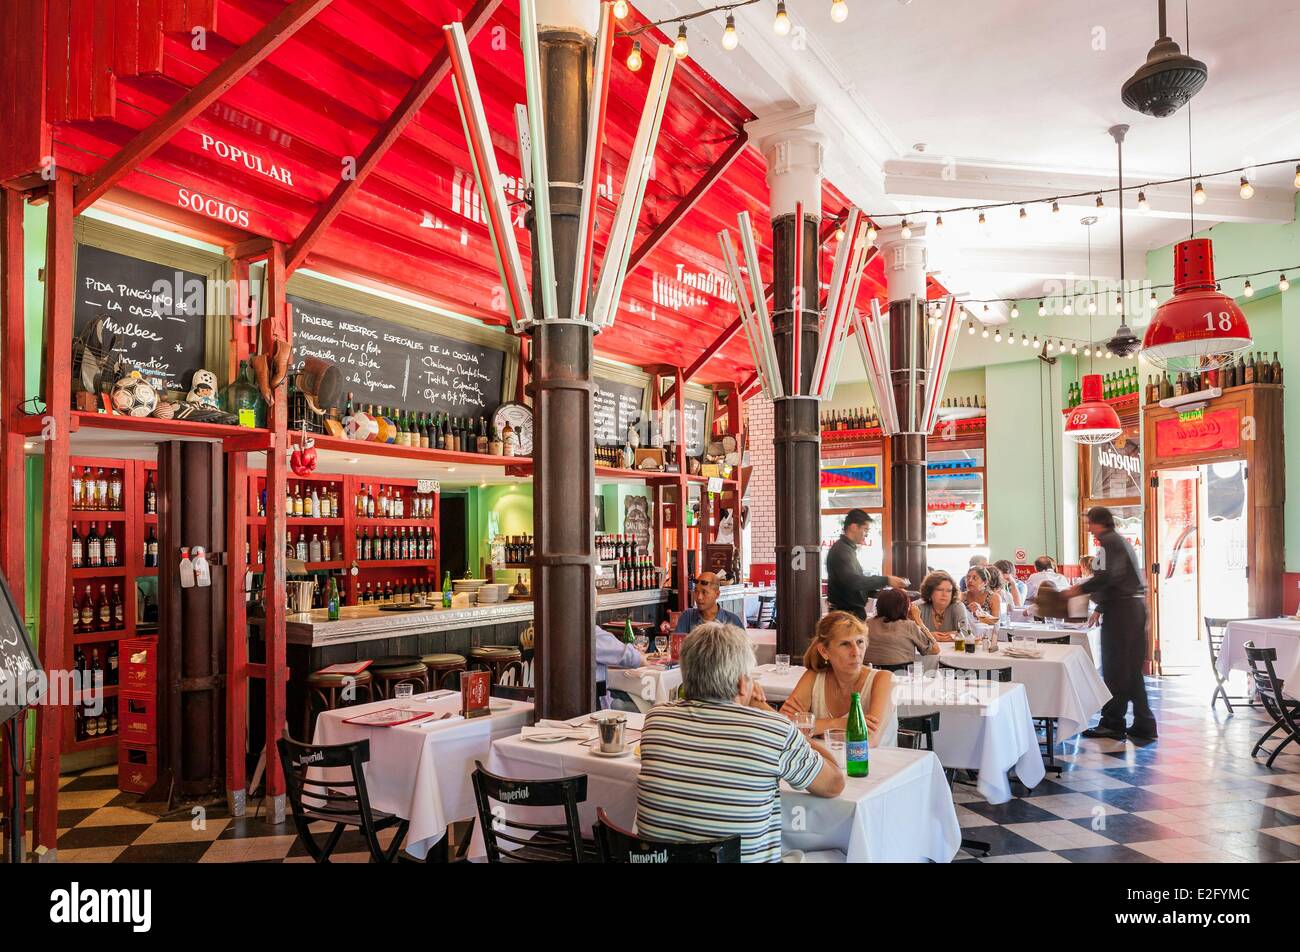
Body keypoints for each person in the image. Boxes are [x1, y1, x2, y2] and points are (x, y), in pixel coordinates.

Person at [637, 623, 845, 862]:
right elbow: (834, 784)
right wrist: (770, 713)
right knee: (840, 855)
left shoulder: (656, 719)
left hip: (663, 858)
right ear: (742, 683)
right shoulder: (773, 730)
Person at [1062, 507, 1156, 741]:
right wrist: (1101, 606)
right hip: (1130, 609)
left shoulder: (1108, 543)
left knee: (1115, 669)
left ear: (1097, 522)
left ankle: (1113, 723)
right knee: (1130, 670)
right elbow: (1119, 579)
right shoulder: (1117, 542)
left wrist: (1078, 589)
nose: (1087, 526)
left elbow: (1107, 577)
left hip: (1122, 613)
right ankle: (1144, 722)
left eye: (1088, 522)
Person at [779, 611, 899, 746]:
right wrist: (838, 723)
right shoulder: (814, 677)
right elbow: (785, 727)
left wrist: (814, 727)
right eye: (845, 644)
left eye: (860, 642)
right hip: (825, 762)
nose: (856, 652)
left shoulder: (884, 679)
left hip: (877, 764)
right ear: (824, 651)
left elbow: (869, 739)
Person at [825, 509, 908, 620]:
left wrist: (888, 593)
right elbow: (853, 582)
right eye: (865, 529)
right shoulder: (841, 550)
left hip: (850, 614)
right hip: (846, 616)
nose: (866, 534)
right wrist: (887, 580)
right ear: (853, 527)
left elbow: (856, 585)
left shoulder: (847, 550)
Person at [864, 589, 938, 668]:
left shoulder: (867, 624)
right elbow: (935, 649)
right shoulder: (909, 626)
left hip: (870, 675)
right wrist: (918, 620)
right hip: (901, 676)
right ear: (905, 607)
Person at [595, 624, 646, 710]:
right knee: (647, 705)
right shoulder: (591, 632)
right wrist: (643, 658)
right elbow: (632, 657)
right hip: (597, 704)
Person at [675, 571, 745, 632]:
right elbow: (678, 645)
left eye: (704, 592)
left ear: (717, 594)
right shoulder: (687, 617)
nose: (699, 597)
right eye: (696, 591)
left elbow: (744, 646)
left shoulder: (732, 620)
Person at [914, 570, 970, 640]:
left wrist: (927, 635)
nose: (944, 594)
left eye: (949, 591)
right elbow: (911, 634)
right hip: (927, 650)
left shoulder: (958, 606)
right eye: (939, 590)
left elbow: (965, 632)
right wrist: (930, 635)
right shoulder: (919, 607)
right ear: (930, 591)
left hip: (954, 650)